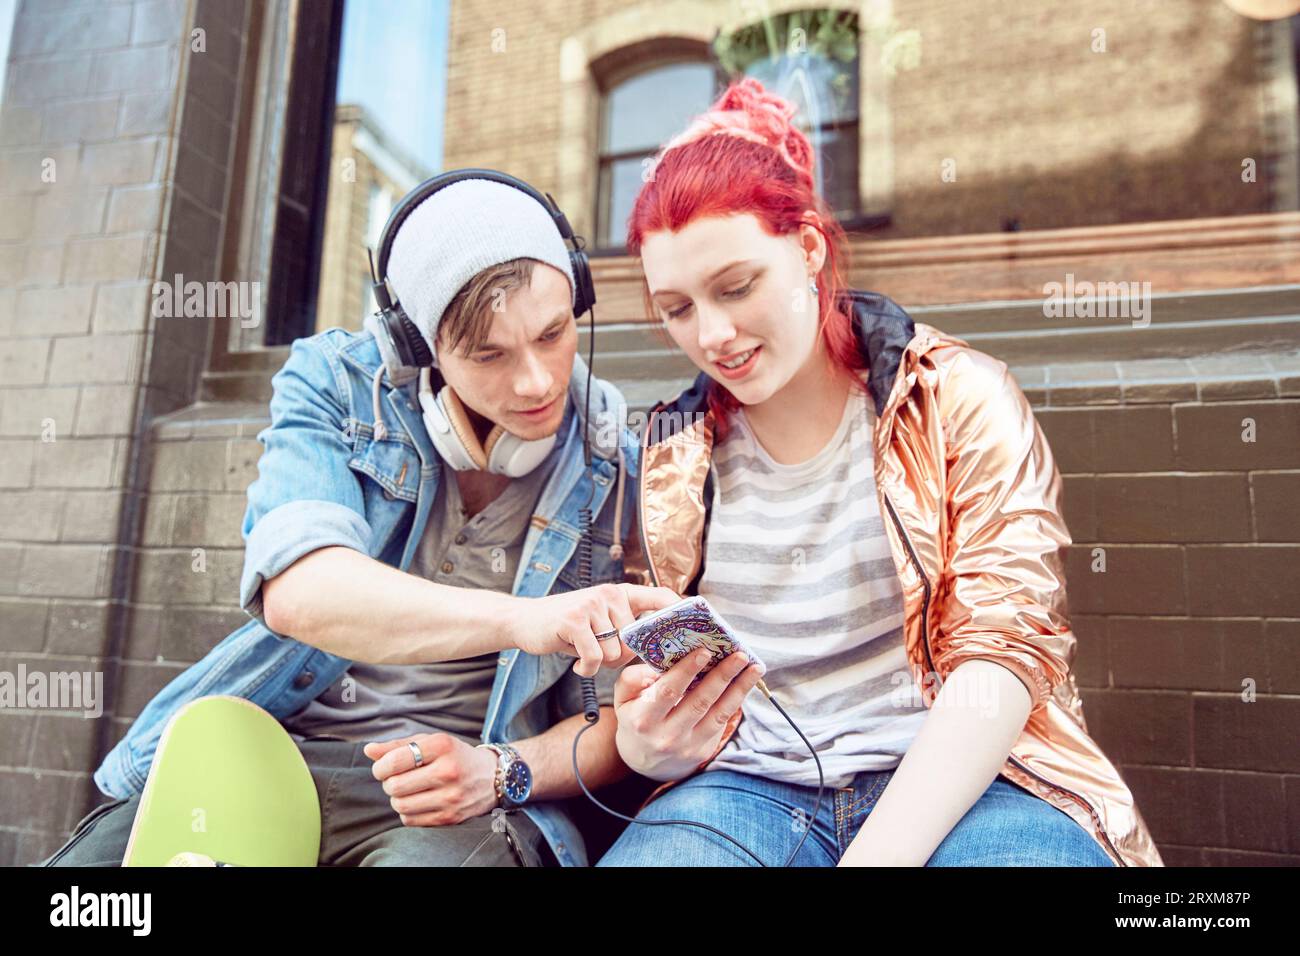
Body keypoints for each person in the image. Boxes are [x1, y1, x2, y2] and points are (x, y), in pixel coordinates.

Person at [599, 79, 1163, 867]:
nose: (713, 334)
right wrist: (647, 741)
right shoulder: (669, 454)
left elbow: (1005, 650)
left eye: (736, 287)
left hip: (975, 777)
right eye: (677, 307)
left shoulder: (953, 393)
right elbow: (656, 690)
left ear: (808, 248)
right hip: (745, 787)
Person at [41, 170, 677, 868]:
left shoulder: (617, 458)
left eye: (554, 334)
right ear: (418, 346)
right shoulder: (336, 384)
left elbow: (622, 721)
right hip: (270, 753)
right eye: (488, 354)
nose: (536, 381)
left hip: (461, 799)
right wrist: (521, 620)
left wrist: (498, 771)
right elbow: (299, 592)